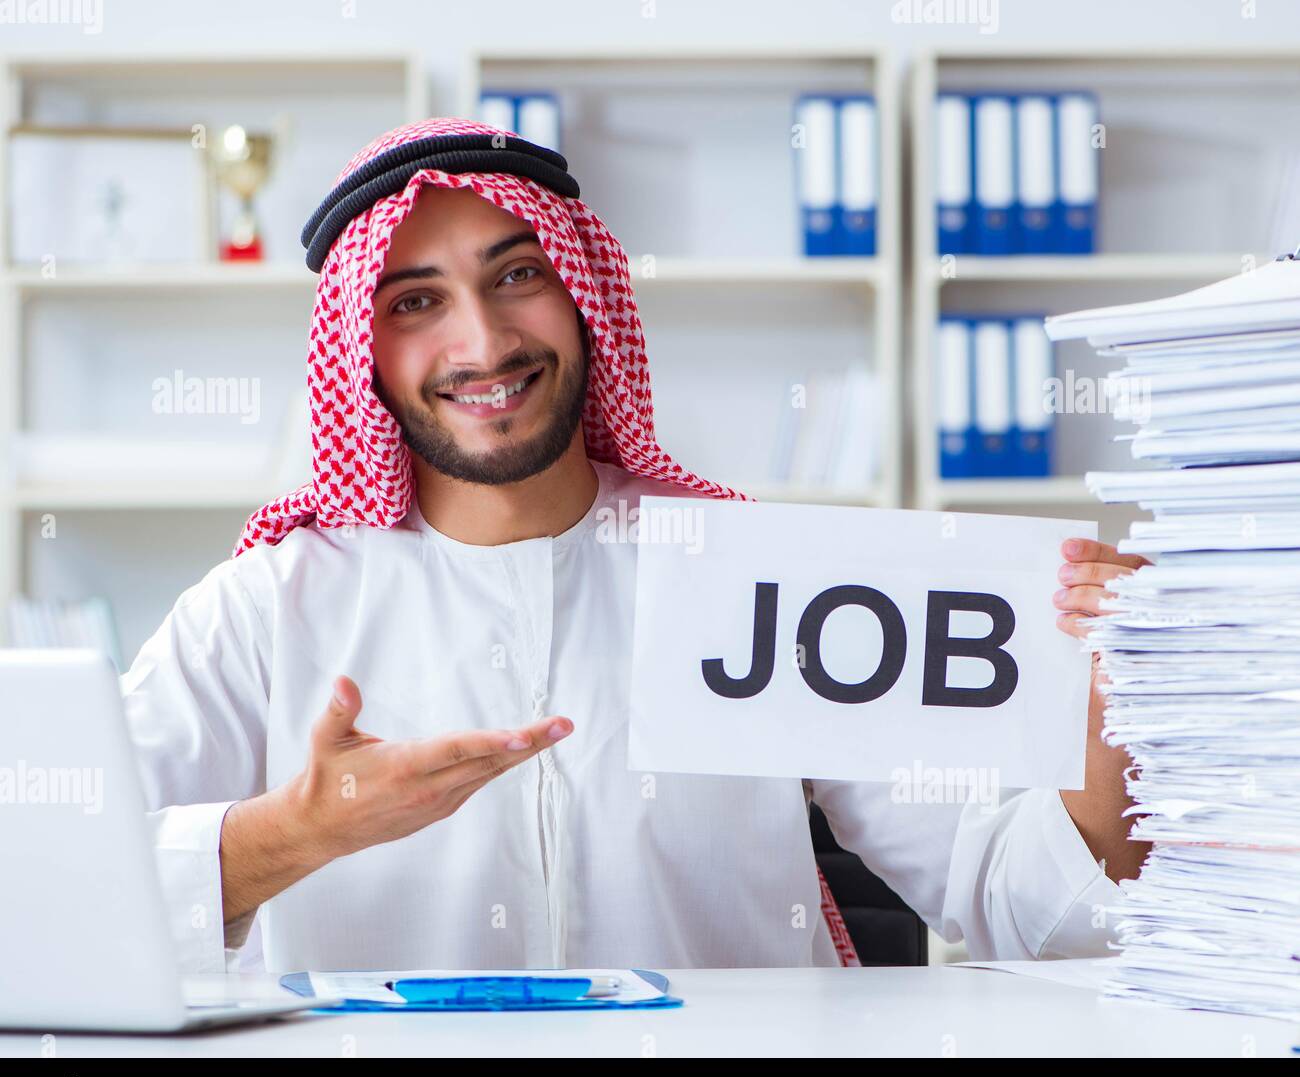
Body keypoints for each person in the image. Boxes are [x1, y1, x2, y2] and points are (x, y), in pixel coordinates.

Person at [123, 118, 1147, 974]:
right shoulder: (260, 612)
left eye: (516, 274)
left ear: (581, 296)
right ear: (362, 349)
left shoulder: (770, 584)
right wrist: (294, 831)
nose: (481, 343)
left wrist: (1118, 703)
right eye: (416, 301)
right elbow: (51, 891)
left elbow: (1033, 914)